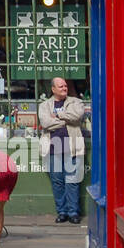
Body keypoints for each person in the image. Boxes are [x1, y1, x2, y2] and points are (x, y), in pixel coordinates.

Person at [38, 77, 85, 224]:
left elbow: (77, 116)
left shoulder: (75, 102)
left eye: (65, 86)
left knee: (73, 181)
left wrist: (58, 116)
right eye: (61, 86)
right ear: (53, 89)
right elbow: (45, 122)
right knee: (57, 181)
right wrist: (65, 120)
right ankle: (62, 212)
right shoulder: (45, 105)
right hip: (53, 148)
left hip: (73, 147)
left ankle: (73, 212)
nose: (64, 88)